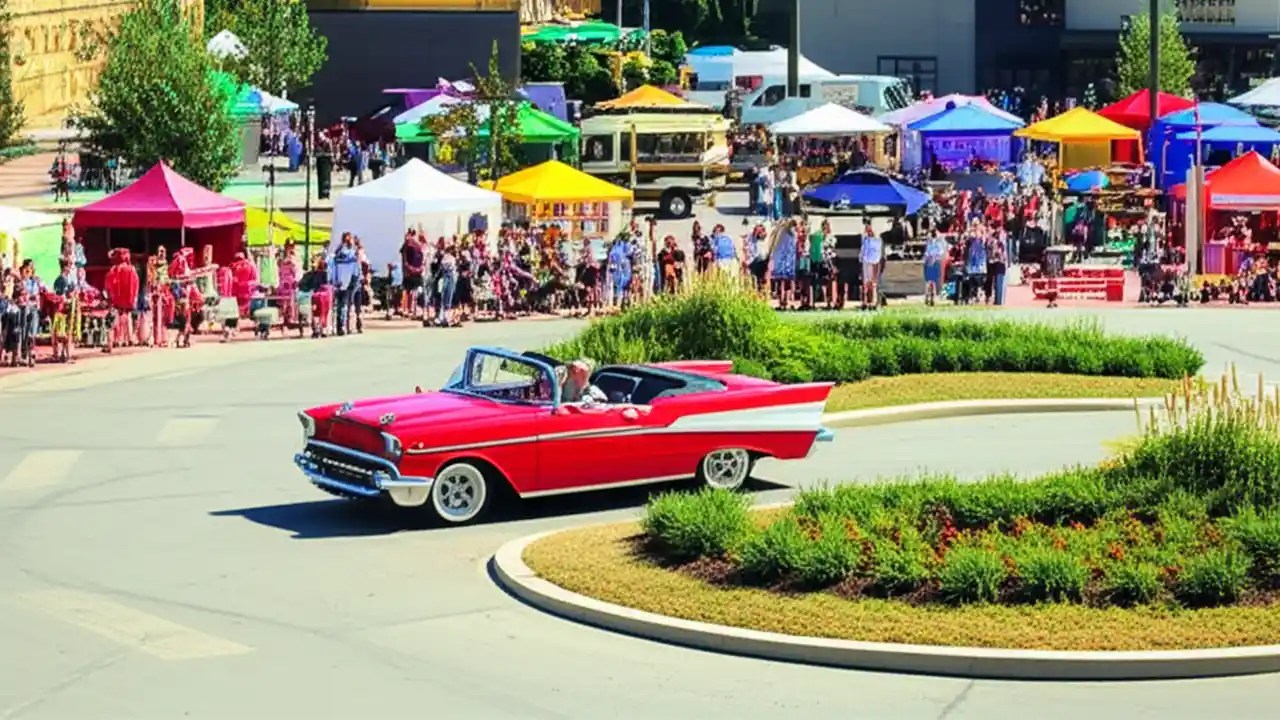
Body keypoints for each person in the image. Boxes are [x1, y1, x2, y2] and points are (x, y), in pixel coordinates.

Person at [330, 233, 360, 335]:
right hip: (343, 282)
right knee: (343, 305)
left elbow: (355, 268)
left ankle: (342, 327)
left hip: (344, 282)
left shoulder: (345, 253)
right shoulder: (347, 253)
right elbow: (355, 268)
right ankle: (341, 327)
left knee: (342, 305)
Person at [858, 221, 883, 311]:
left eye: (869, 229)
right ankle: (865, 303)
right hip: (866, 263)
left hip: (873, 262)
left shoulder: (877, 241)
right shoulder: (865, 240)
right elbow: (862, 252)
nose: (868, 231)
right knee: (865, 284)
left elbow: (877, 253)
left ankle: (874, 302)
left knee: (873, 284)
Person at [922, 229, 950, 306]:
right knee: (930, 281)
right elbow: (928, 253)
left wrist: (932, 257)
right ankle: (928, 297)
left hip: (933, 263)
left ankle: (931, 297)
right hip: (930, 262)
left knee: (931, 281)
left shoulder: (936, 243)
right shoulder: (930, 243)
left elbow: (939, 252)